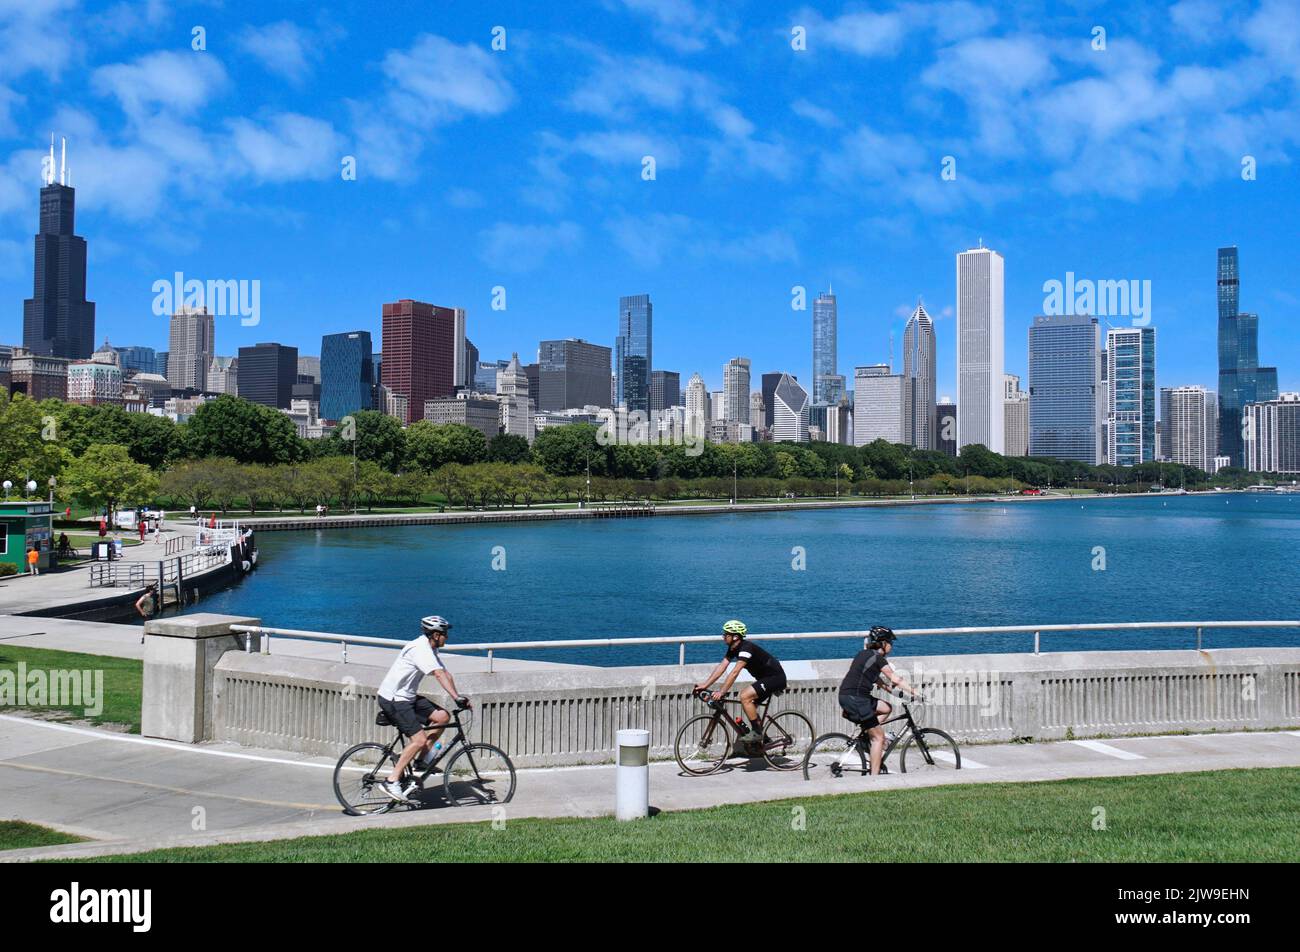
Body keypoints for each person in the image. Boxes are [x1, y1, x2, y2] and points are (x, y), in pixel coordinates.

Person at [375, 616, 471, 803]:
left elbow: (445, 673)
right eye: (445, 634)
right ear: (435, 635)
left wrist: (459, 697)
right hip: (394, 699)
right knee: (418, 739)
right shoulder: (420, 649)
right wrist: (455, 697)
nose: (447, 637)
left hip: (407, 697)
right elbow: (437, 674)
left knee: (442, 717)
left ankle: (420, 760)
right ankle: (391, 780)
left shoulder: (430, 649)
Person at [838, 626, 921, 776]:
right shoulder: (878, 658)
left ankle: (866, 738)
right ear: (883, 643)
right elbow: (894, 677)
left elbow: (883, 684)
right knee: (879, 737)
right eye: (890, 642)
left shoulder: (863, 655)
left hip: (847, 696)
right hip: (857, 699)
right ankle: (874, 780)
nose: (892, 646)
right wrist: (917, 693)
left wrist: (902, 695)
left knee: (886, 708)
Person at [694, 619, 786, 745]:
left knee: (744, 696)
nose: (723, 637)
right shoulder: (733, 648)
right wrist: (705, 685)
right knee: (750, 705)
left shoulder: (746, 649)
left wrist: (722, 692)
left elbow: (735, 672)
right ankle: (763, 739)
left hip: (775, 678)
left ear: (735, 637)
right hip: (765, 679)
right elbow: (723, 666)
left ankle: (758, 733)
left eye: (726, 634)